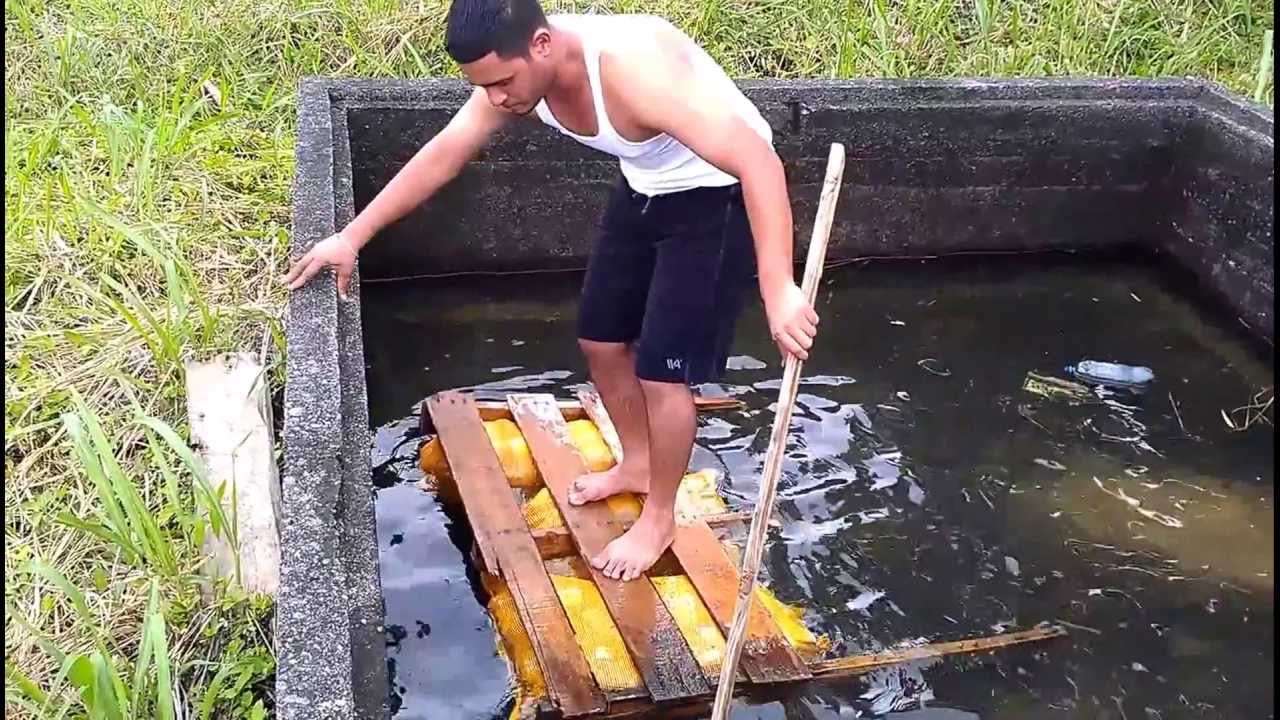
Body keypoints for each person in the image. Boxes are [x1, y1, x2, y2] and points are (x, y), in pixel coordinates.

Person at [283, 0, 819, 582]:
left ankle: (660, 515)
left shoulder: (630, 75)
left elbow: (758, 162)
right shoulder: (515, 77)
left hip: (716, 194)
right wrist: (353, 237)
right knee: (601, 341)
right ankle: (637, 466)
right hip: (646, 186)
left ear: (541, 44)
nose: (496, 100)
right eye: (482, 87)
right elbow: (447, 150)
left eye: (502, 82)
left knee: (663, 373)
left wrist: (779, 287)